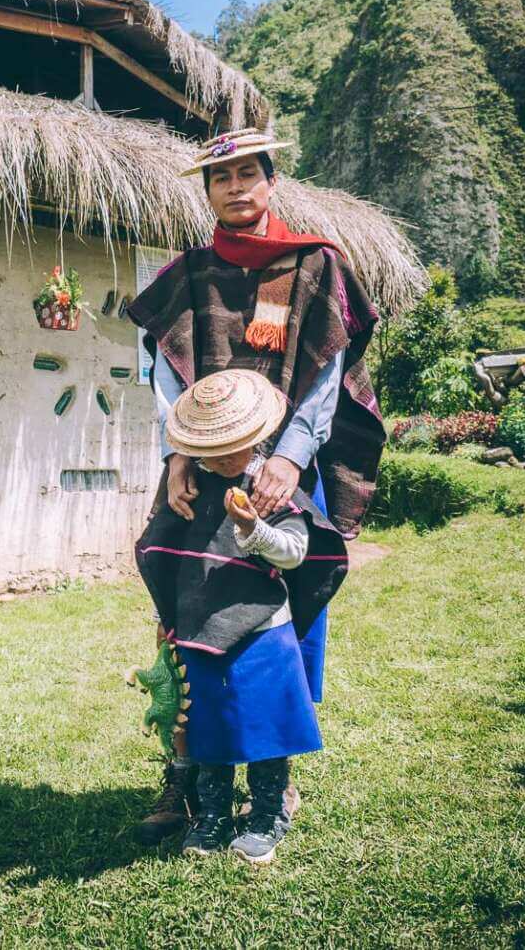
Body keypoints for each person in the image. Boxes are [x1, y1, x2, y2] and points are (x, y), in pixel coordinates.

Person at [126, 127, 387, 846]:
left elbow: (326, 371)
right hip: (199, 471)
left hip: (286, 475)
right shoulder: (189, 276)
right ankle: (185, 781)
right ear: (206, 192)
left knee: (283, 620)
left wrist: (292, 460)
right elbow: (167, 375)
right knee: (187, 618)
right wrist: (177, 455)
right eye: (221, 178)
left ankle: (277, 779)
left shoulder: (313, 266)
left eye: (249, 174)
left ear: (272, 182)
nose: (236, 188)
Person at [134, 368, 349, 862]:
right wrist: (170, 615)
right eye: (212, 446)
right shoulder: (186, 488)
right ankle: (210, 816)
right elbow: (161, 548)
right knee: (208, 727)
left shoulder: (271, 489)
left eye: (234, 443)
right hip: (199, 629)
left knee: (265, 726)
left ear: (257, 436)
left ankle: (267, 813)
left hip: (262, 629)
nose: (223, 456)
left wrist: (254, 529)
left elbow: (294, 552)